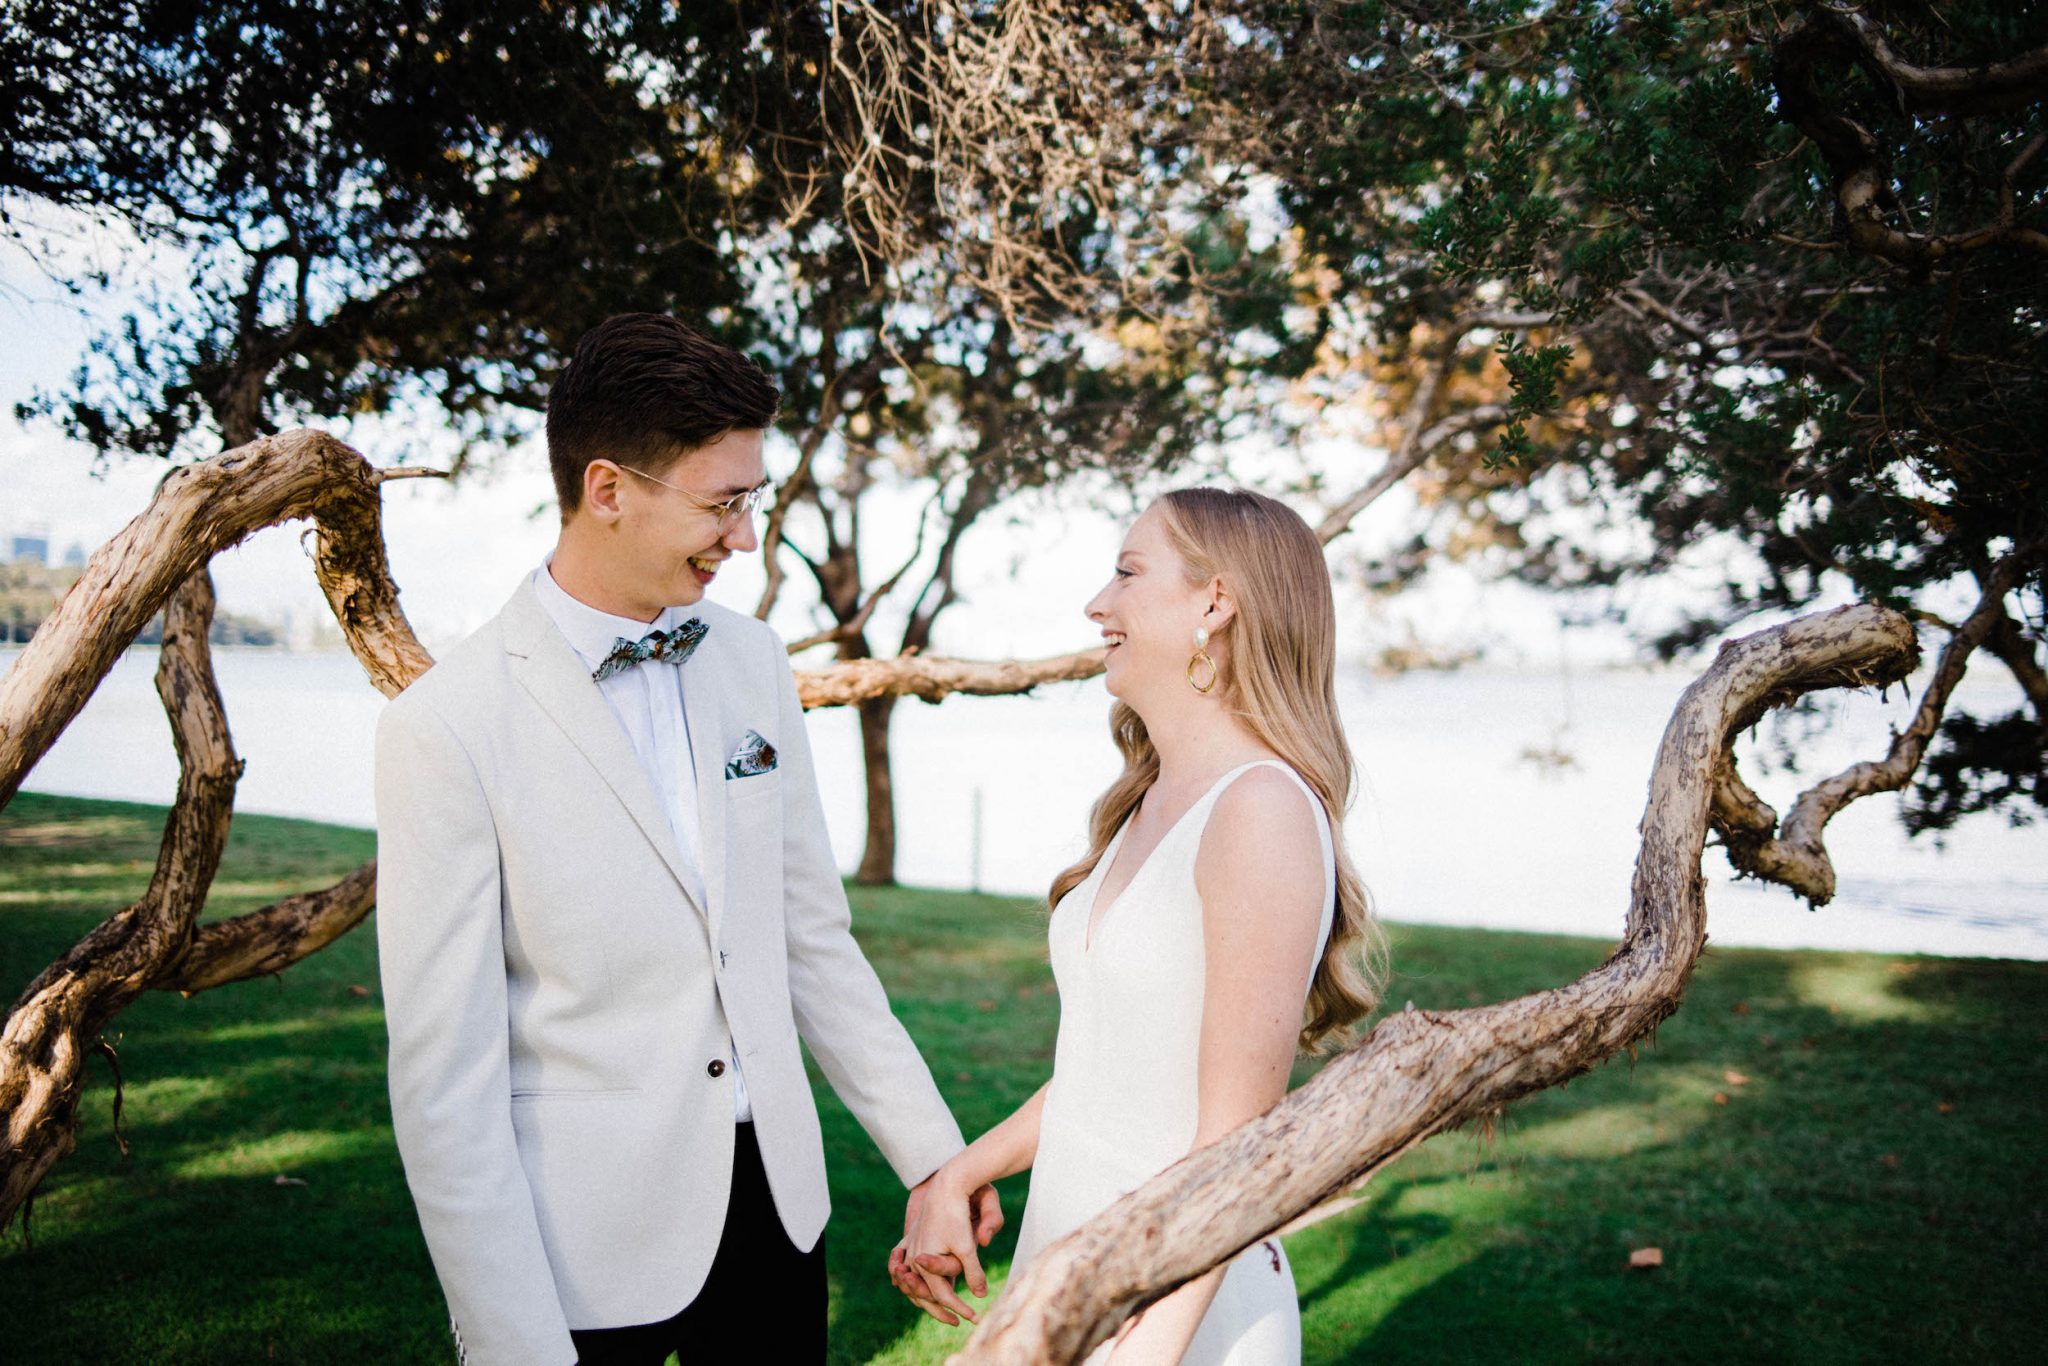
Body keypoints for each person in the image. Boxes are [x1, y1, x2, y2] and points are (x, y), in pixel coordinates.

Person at [374, 313, 996, 1365]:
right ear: (606, 489)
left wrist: (936, 1161)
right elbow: (445, 1088)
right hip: (580, 1253)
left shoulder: (751, 663)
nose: (745, 535)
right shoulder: (445, 726)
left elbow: (810, 941)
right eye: (723, 503)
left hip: (779, 1221)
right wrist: (512, 1341)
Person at [890, 487, 1385, 1363]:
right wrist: (964, 1170)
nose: (1097, 604)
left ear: (1216, 602)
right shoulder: (1149, 800)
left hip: (1177, 1306)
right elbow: (1112, 1072)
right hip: (1073, 1260)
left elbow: (1236, 1146)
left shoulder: (1260, 809)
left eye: (1126, 573)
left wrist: (1151, 1346)